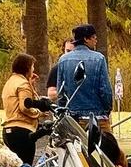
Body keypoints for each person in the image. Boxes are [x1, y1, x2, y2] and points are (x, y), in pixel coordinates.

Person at [50, 24, 117, 159]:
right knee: (107, 155)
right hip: (97, 117)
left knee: (78, 157)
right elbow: (105, 89)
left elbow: (61, 91)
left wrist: (64, 111)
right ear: (86, 39)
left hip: (73, 117)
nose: (96, 40)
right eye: (94, 38)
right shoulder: (99, 59)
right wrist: (107, 109)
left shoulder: (63, 60)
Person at [0, 53, 47, 163]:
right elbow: (25, 106)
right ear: (27, 67)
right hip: (22, 131)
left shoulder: (10, 81)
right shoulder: (23, 84)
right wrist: (39, 113)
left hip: (8, 131)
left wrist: (30, 83)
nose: (33, 69)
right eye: (32, 66)